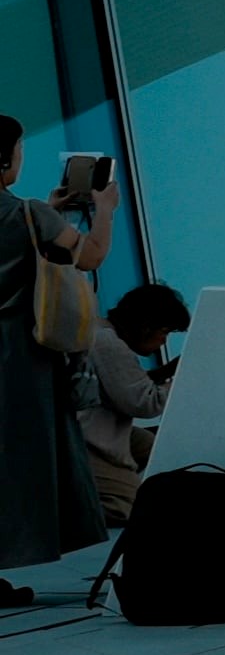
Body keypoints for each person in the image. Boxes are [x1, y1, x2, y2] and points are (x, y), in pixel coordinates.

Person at [0, 119, 115, 572]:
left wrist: (45, 212)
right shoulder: (26, 214)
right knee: (18, 457)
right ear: (4, 159)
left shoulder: (33, 215)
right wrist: (104, 209)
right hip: (17, 355)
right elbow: (89, 256)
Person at [75, 278, 187, 527]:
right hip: (86, 436)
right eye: (164, 332)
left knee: (154, 449)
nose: (164, 341)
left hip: (95, 424)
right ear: (146, 326)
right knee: (126, 508)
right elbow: (145, 403)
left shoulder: (101, 332)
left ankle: (99, 482)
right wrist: (185, 375)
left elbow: (120, 386)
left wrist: (165, 372)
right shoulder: (107, 344)